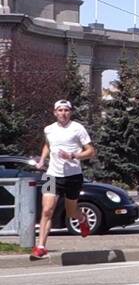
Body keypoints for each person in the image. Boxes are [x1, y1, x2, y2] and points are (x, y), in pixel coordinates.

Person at [31, 100, 96, 259]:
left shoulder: (77, 128)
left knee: (71, 211)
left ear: (70, 112)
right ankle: (41, 246)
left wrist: (73, 155)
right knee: (47, 210)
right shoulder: (49, 129)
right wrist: (41, 160)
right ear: (55, 113)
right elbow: (48, 145)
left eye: (66, 110)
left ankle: (82, 219)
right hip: (51, 174)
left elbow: (91, 151)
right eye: (60, 110)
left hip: (73, 176)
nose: (63, 113)